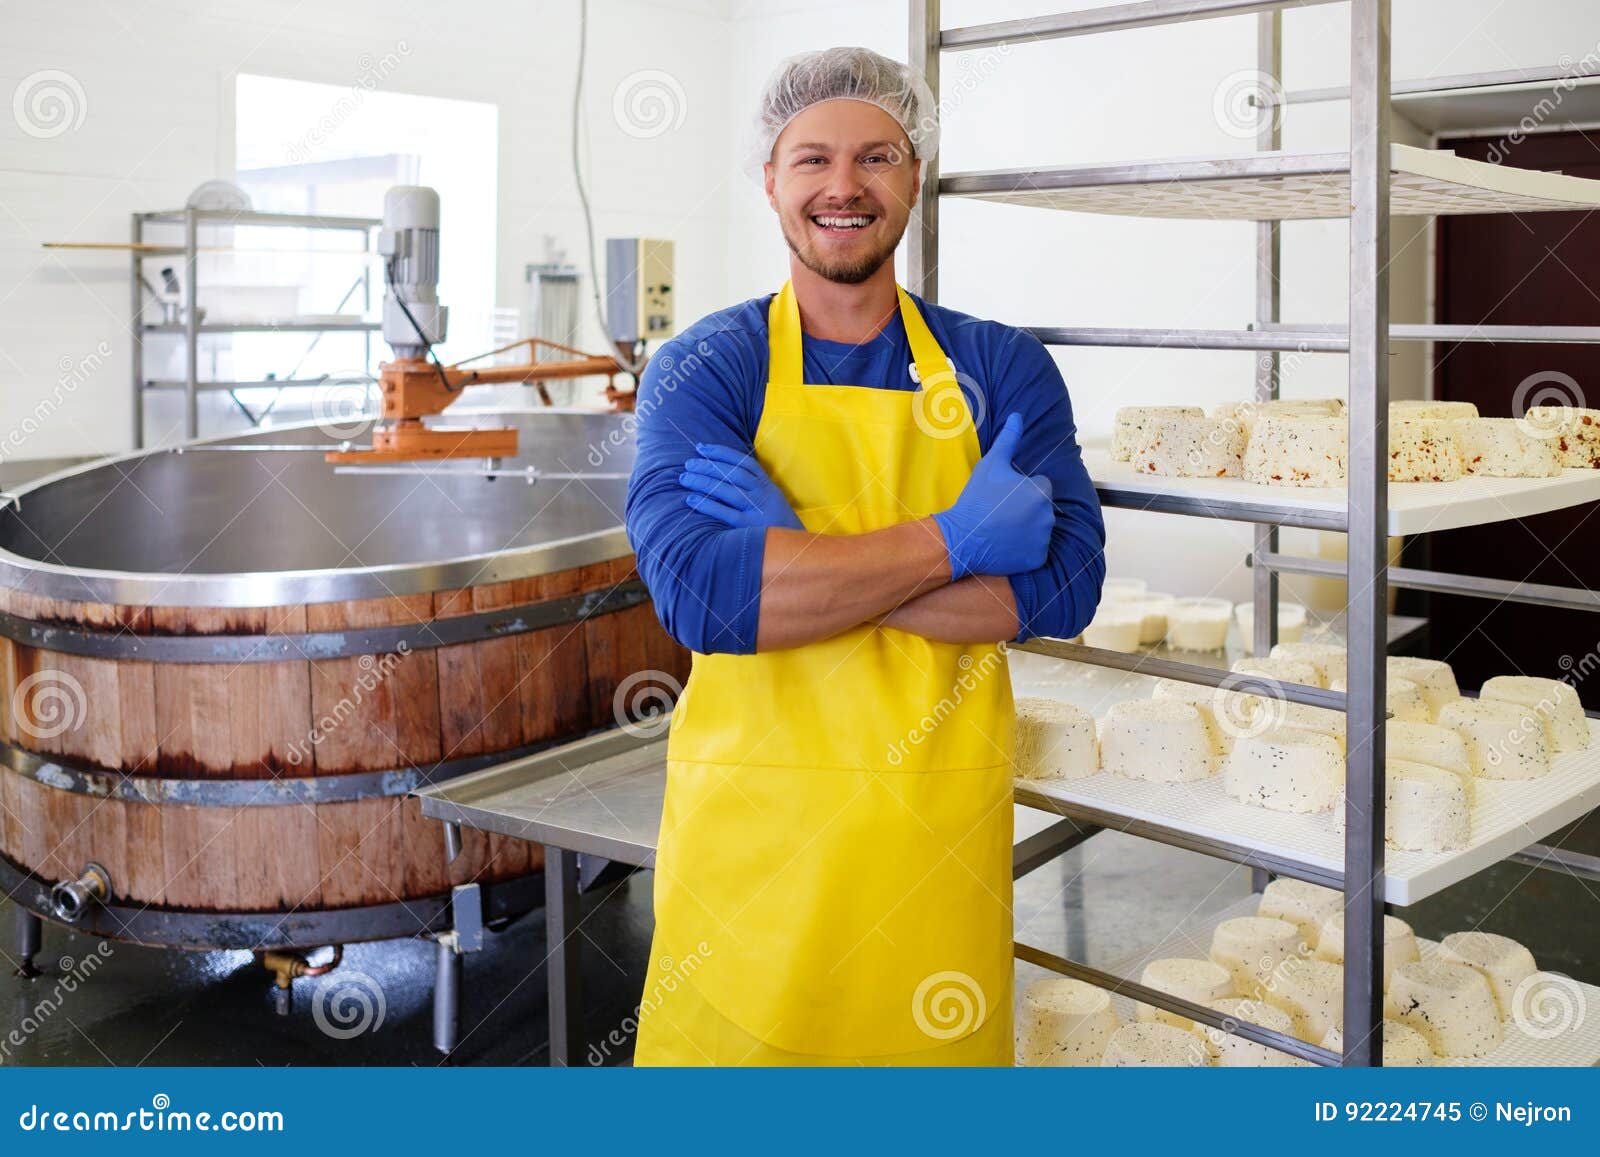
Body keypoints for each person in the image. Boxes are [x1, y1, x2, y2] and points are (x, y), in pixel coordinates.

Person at [623, 45, 1105, 1066]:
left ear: (914, 177)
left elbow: (1065, 587)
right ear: (770, 179)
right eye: (812, 159)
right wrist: (956, 544)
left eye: (877, 156)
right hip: (750, 851)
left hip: (931, 842)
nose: (843, 186)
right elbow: (705, 601)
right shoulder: (711, 364)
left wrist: (794, 558)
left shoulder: (994, 365)